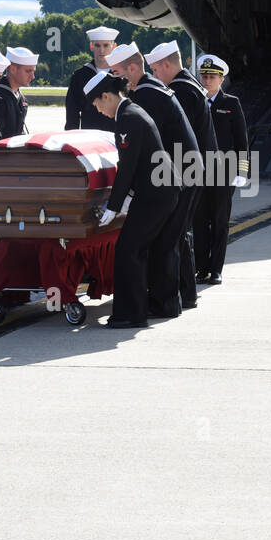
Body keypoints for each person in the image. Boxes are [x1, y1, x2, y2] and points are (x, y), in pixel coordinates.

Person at [109, 42, 198, 318]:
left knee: (166, 242)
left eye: (116, 72)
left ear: (133, 69)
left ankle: (165, 303)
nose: (113, 79)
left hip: (175, 174)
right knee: (175, 238)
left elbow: (142, 148)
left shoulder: (146, 96)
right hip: (184, 171)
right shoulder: (151, 88)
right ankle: (183, 295)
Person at [89, 71, 179, 329]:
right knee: (149, 249)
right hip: (161, 190)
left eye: (97, 104)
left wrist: (114, 206)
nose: (98, 110)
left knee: (129, 250)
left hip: (155, 195)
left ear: (106, 96)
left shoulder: (127, 119)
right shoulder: (133, 112)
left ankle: (130, 314)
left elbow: (127, 167)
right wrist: (125, 198)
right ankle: (162, 305)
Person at [147, 41, 214, 311]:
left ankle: (176, 294)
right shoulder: (190, 84)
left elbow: (175, 136)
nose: (153, 74)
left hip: (184, 170)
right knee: (181, 233)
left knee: (173, 235)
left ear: (166, 65)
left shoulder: (179, 91)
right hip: (195, 168)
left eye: (154, 68)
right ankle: (187, 293)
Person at [194, 54, 249, 284]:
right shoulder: (195, 102)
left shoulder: (231, 103)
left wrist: (242, 172)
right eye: (203, 76)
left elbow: (242, 140)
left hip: (224, 173)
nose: (206, 80)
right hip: (197, 172)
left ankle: (216, 269)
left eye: (211, 77)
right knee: (198, 222)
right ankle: (201, 268)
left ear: (221, 78)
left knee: (219, 222)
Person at [65, 26, 119, 131]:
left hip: (116, 135)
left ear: (114, 46)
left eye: (106, 45)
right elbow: (72, 111)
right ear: (91, 46)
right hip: (89, 135)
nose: (101, 50)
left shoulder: (120, 74)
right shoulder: (80, 75)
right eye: (97, 45)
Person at [0, 47, 35, 138]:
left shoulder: (22, 99)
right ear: (12, 69)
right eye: (28, 71)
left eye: (33, 71)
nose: (32, 77)